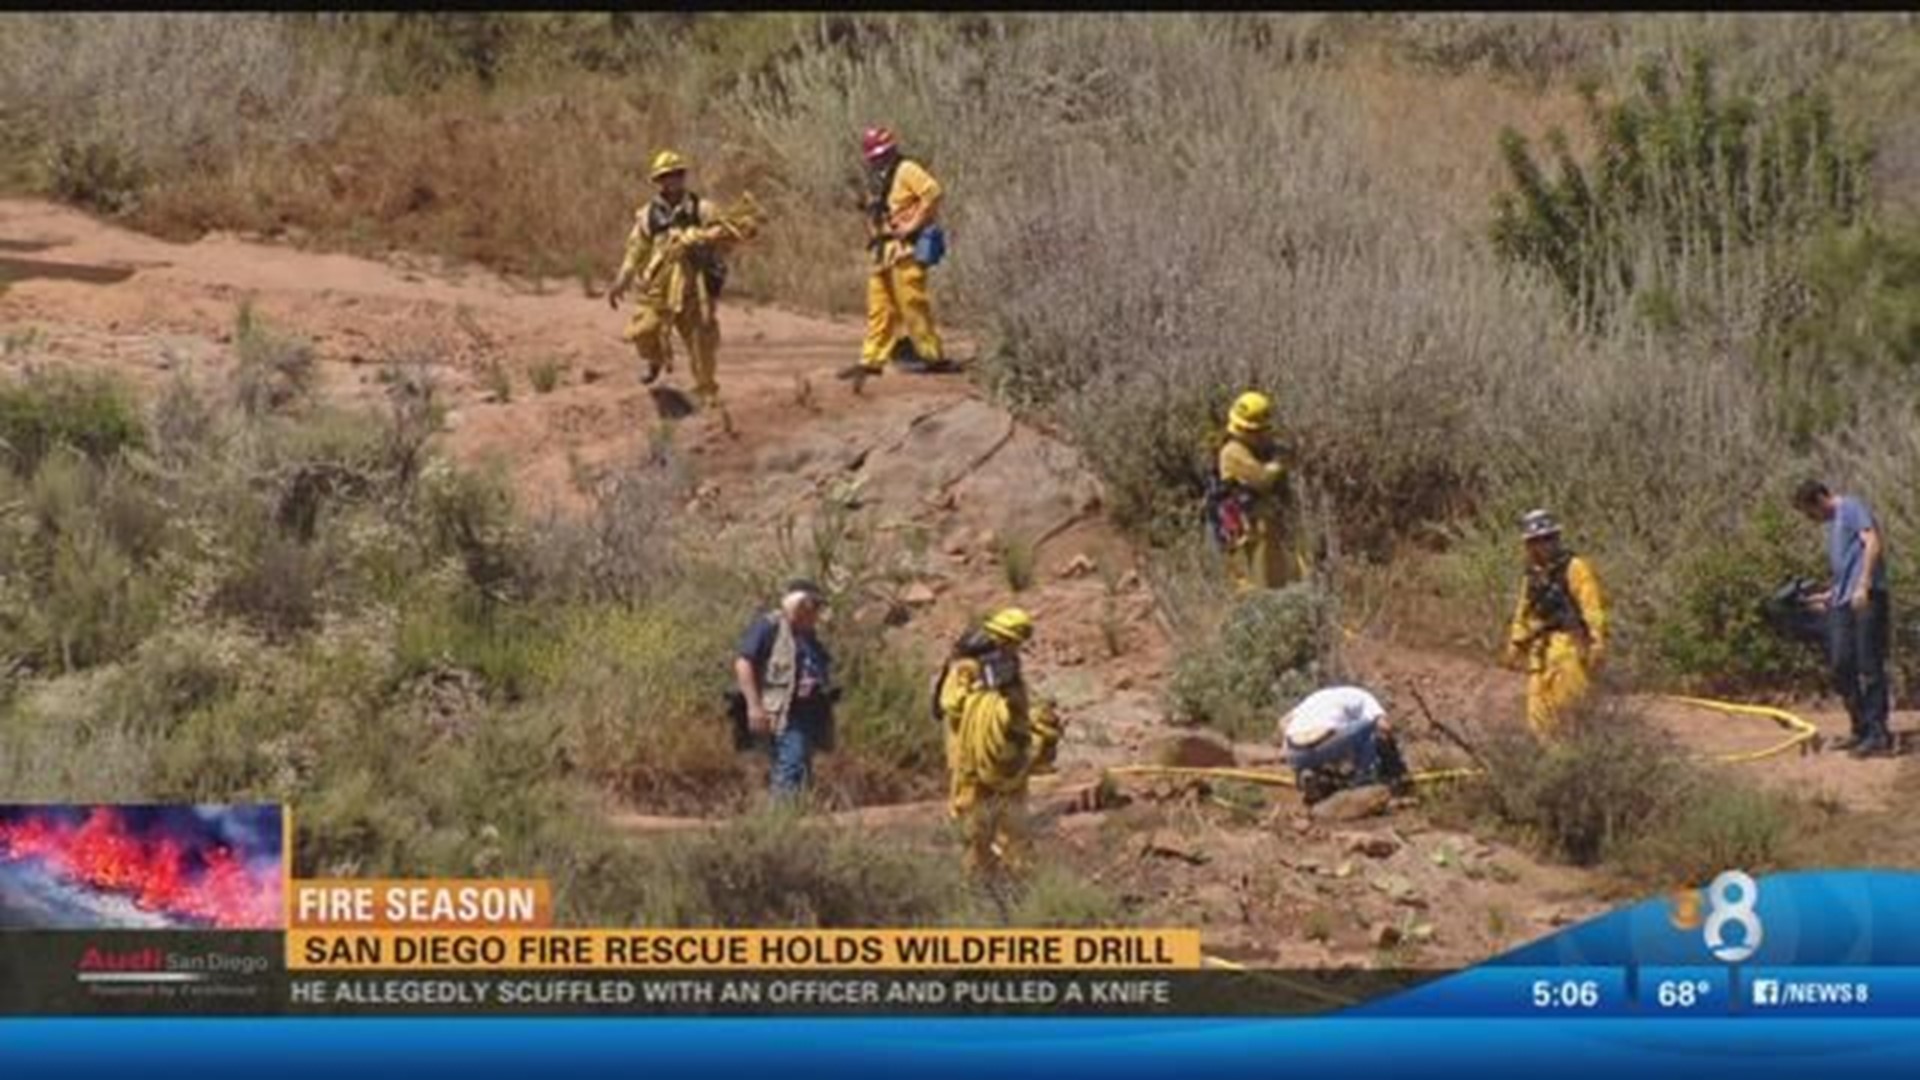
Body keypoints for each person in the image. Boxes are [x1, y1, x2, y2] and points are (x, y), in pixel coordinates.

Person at [606, 150, 758, 412]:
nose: (672, 180)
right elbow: (636, 250)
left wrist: (703, 238)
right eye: (666, 176)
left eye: (677, 174)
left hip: (693, 288)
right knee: (643, 331)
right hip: (658, 288)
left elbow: (729, 238)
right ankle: (654, 360)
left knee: (702, 341)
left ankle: (706, 392)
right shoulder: (648, 215)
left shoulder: (703, 209)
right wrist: (622, 279)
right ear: (659, 181)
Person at [935, 608, 1064, 879]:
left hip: (1008, 757)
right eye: (1010, 642)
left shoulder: (1010, 669)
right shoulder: (966, 667)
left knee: (1014, 821)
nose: (1013, 649)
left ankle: (1018, 876)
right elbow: (952, 705)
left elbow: (1016, 710)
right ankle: (976, 880)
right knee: (974, 822)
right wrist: (980, 691)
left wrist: (1035, 725)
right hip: (970, 759)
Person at [838, 126, 948, 387]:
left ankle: (931, 356)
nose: (880, 158)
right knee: (879, 307)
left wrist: (913, 224)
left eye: (884, 153)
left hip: (905, 250)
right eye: (876, 155)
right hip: (882, 251)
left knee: (912, 304)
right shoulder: (876, 177)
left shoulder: (907, 169)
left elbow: (933, 192)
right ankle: (871, 360)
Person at [1794, 479, 1894, 757]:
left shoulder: (1851, 507)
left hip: (1867, 597)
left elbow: (1872, 542)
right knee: (1841, 663)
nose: (1811, 519)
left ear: (1819, 499)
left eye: (1809, 512)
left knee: (1869, 665)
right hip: (1843, 599)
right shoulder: (1834, 524)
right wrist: (1828, 595)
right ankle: (1860, 728)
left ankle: (1878, 734)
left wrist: (1863, 584)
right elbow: (1846, 565)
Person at [1502, 509, 1609, 738]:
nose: (1541, 545)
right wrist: (1515, 643)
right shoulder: (1532, 574)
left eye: (1547, 539)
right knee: (1538, 717)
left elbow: (1592, 607)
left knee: (1568, 714)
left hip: (1569, 648)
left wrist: (1597, 642)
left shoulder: (1575, 567)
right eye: (1535, 541)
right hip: (1540, 653)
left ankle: (1572, 765)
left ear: (1556, 539)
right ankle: (1547, 764)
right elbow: (1525, 609)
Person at [733, 580, 838, 798]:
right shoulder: (769, 626)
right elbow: (743, 663)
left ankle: (797, 821)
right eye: (814, 605)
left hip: (808, 712)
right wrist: (754, 706)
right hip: (783, 711)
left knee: (802, 768)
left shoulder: (808, 635)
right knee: (792, 762)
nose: (818, 613)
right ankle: (781, 819)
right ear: (800, 604)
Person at [1215, 390, 1299, 591]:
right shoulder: (1232, 452)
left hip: (1272, 524)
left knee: (1285, 577)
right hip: (1249, 529)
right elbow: (1262, 479)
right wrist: (1279, 463)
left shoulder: (1262, 447)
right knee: (1260, 584)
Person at [1279, 685, 1411, 804]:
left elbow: (1283, 721)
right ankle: (1364, 780)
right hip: (1326, 746)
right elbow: (1384, 726)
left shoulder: (1315, 698)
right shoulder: (1365, 697)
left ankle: (1311, 773)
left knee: (1340, 734)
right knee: (1369, 725)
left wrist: (1286, 745)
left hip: (1295, 754)